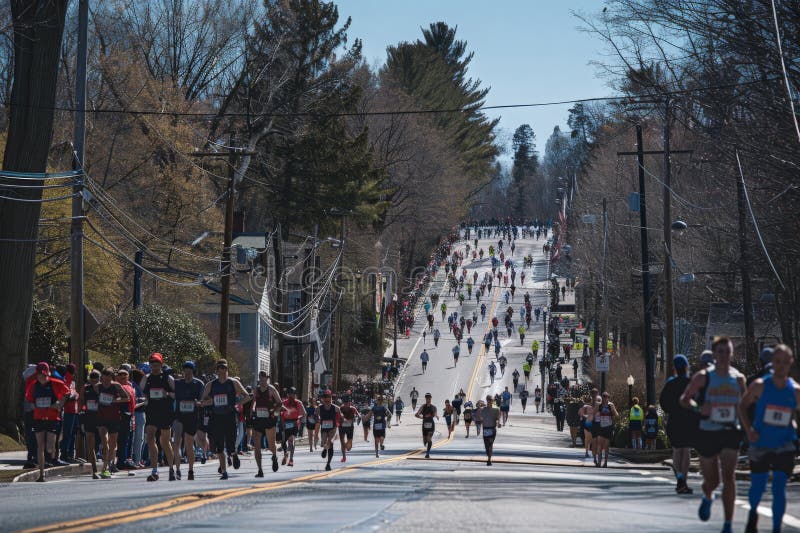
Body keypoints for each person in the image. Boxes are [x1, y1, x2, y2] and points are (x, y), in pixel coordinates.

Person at [680, 336, 746, 533]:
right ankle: (708, 495)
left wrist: (749, 429)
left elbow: (744, 406)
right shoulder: (703, 377)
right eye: (720, 352)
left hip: (729, 431)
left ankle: (728, 524)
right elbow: (684, 400)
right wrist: (700, 407)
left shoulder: (738, 379)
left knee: (729, 477)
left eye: (728, 351)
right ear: (714, 354)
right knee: (712, 481)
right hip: (708, 432)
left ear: (732, 354)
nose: (724, 355)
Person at [738, 344, 799, 533]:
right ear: (772, 363)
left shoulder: (795, 391)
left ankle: (775, 528)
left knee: (779, 486)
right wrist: (749, 431)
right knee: (758, 485)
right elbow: (741, 407)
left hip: (784, 444)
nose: (780, 366)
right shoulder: (759, 386)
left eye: (784, 362)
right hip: (761, 442)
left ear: (790, 363)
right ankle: (753, 511)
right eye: (777, 361)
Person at [200, 359, 250, 480]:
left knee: (231, 444)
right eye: (220, 368)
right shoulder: (211, 385)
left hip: (230, 416)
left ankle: (233, 454)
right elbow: (202, 402)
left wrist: (237, 404)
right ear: (216, 370)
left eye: (225, 368)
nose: (223, 370)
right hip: (216, 418)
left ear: (228, 370)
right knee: (219, 447)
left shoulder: (233, 383)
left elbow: (247, 396)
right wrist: (210, 402)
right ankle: (224, 472)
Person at [25, 362, 72, 482]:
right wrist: (34, 406)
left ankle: (51, 455)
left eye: (44, 375)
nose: (42, 377)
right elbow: (29, 399)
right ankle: (42, 475)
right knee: (40, 446)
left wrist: (59, 404)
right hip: (38, 418)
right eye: (40, 375)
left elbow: (68, 392)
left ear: (48, 374)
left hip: (52, 419)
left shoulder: (56, 383)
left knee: (50, 448)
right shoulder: (33, 385)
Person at [659, 354, 698, 494]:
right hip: (688, 420)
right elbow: (697, 401)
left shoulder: (670, 383)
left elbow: (662, 402)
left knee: (677, 450)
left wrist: (672, 409)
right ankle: (684, 482)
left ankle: (679, 478)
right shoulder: (691, 382)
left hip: (674, 420)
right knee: (686, 450)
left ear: (674, 368)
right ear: (686, 366)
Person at [140, 353, 176, 482]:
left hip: (165, 412)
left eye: (157, 363)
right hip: (151, 411)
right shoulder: (146, 378)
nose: (154, 365)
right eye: (152, 363)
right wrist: (145, 398)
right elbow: (143, 393)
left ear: (161, 364)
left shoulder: (168, 377)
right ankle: (154, 469)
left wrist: (167, 393)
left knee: (165, 441)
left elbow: (175, 394)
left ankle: (172, 469)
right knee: (150, 438)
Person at [95, 368, 130, 479]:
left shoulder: (116, 386)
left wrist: (114, 401)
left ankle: (109, 465)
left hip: (114, 418)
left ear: (112, 378)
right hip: (101, 417)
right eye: (103, 380)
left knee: (112, 443)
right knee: (105, 442)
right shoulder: (97, 387)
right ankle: (105, 467)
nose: (105, 382)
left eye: (107, 380)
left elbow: (127, 398)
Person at [251, 371, 283, 476]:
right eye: (261, 377)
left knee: (271, 445)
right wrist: (251, 412)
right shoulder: (256, 390)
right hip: (259, 420)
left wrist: (275, 413)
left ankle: (274, 456)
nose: (263, 379)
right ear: (259, 378)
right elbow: (253, 402)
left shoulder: (272, 389)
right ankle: (260, 470)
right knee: (257, 446)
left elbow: (279, 403)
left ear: (267, 378)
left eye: (265, 377)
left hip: (269, 419)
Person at [281, 387, 306, 467]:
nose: (291, 395)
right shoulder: (285, 402)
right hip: (288, 423)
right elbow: (304, 414)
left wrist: (298, 418)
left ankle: (289, 457)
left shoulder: (297, 403)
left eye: (292, 394)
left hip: (292, 423)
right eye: (290, 394)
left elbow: (304, 413)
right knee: (287, 441)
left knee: (289, 440)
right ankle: (288, 455)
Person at [316, 390, 341, 471]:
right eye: (325, 398)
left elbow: (341, 418)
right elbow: (315, 416)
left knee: (330, 442)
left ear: (331, 398)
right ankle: (325, 448)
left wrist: (341, 420)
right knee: (323, 443)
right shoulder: (319, 408)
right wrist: (317, 419)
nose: (327, 399)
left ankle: (328, 464)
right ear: (323, 399)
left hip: (332, 428)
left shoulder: (336, 408)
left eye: (328, 397)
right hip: (324, 428)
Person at [594, 392, 618, 467]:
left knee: (606, 446)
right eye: (603, 397)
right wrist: (596, 408)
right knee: (599, 445)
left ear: (608, 397)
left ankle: (605, 462)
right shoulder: (599, 405)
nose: (604, 398)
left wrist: (613, 410)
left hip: (608, 427)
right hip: (601, 427)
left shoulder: (611, 405)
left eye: (606, 397)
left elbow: (617, 415)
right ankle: (599, 462)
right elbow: (594, 413)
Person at [415, 393, 439, 458]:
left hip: (431, 426)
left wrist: (436, 416)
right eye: (427, 397)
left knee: (429, 439)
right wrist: (421, 417)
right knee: (424, 441)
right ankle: (426, 445)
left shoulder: (433, 407)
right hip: (424, 426)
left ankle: (427, 453)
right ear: (425, 398)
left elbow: (435, 413)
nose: (428, 399)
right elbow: (416, 414)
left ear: (431, 398)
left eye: (429, 397)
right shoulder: (423, 407)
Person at [479, 395, 501, 466]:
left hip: (492, 429)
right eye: (488, 400)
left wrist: (498, 423)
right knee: (486, 446)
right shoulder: (483, 409)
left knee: (490, 444)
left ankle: (489, 460)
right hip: (485, 429)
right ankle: (488, 454)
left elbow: (498, 419)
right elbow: (480, 418)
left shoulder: (496, 409)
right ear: (486, 400)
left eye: (491, 400)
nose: (490, 401)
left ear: (493, 401)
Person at [339, 396, 358, 463]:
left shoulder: (353, 408)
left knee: (349, 447)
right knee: (342, 441)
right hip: (342, 426)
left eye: (348, 403)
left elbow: (358, 415)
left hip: (350, 427)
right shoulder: (341, 408)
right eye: (345, 403)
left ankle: (345, 446)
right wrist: (341, 419)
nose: (347, 405)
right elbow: (338, 415)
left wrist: (356, 417)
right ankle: (344, 457)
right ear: (344, 403)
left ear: (350, 403)